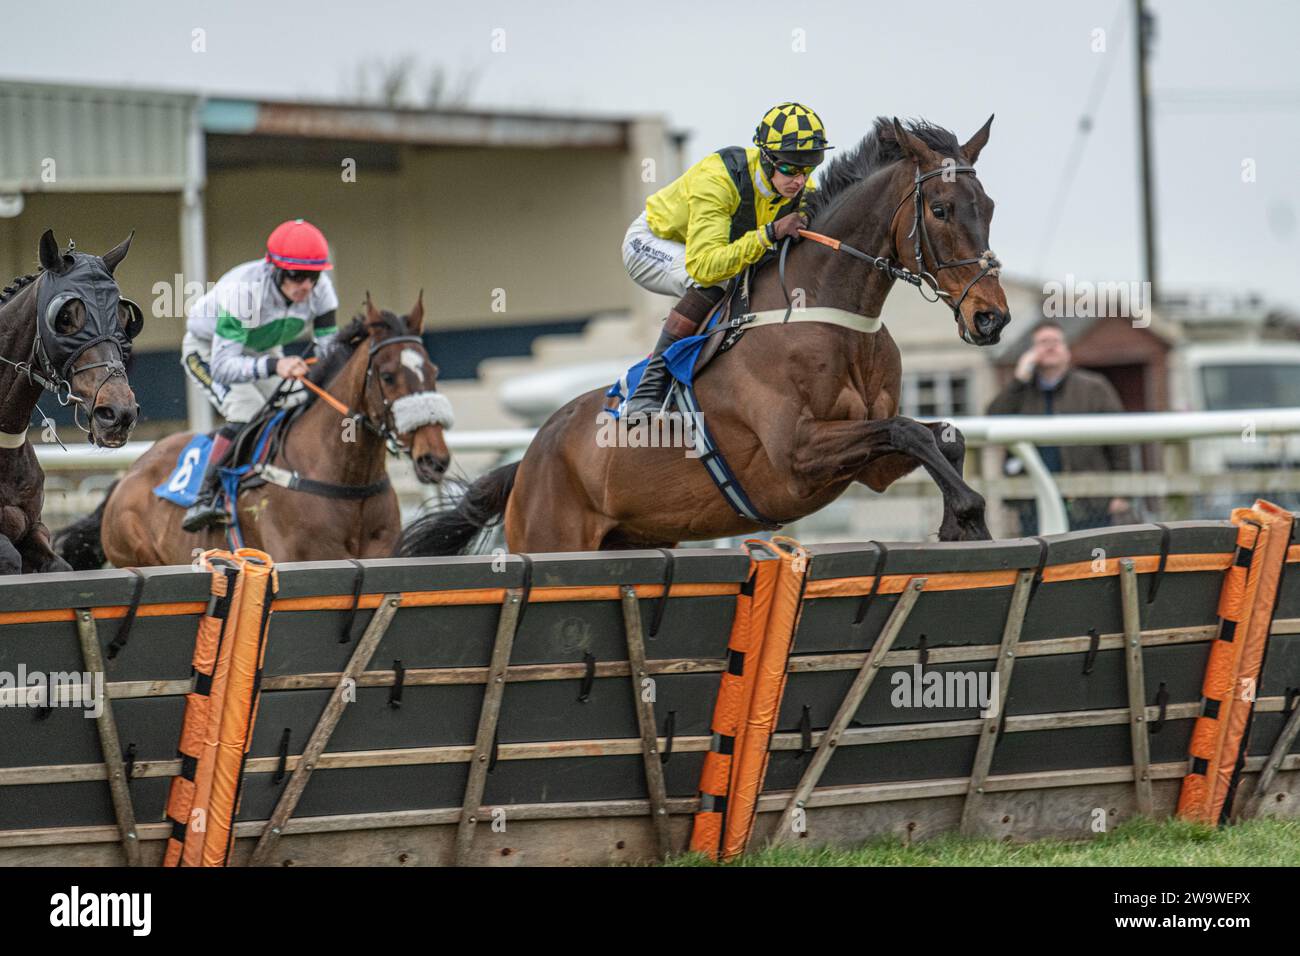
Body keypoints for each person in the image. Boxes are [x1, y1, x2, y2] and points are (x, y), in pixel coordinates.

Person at [620, 102, 830, 417]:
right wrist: (770, 233)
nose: (799, 181)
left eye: (808, 168)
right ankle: (648, 389)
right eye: (789, 168)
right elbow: (703, 265)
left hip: (713, 251)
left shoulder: (800, 187)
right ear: (766, 157)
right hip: (652, 243)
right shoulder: (718, 180)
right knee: (716, 278)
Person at [179, 219, 340, 531]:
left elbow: (329, 353)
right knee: (247, 412)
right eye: (296, 275)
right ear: (274, 269)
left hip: (263, 352)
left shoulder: (322, 292)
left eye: (313, 276)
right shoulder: (244, 292)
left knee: (297, 404)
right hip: (210, 352)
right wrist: (273, 366)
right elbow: (225, 366)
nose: (306, 285)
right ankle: (203, 497)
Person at [986, 319, 1133, 533]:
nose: (1050, 346)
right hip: (1033, 500)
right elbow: (993, 419)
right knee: (1039, 561)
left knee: (1090, 560)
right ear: (1032, 351)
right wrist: (1018, 380)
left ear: (1067, 350)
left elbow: (1120, 440)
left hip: (1088, 500)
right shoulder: (1021, 392)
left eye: (1056, 341)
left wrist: (1123, 493)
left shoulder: (1094, 387)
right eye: (1043, 342)